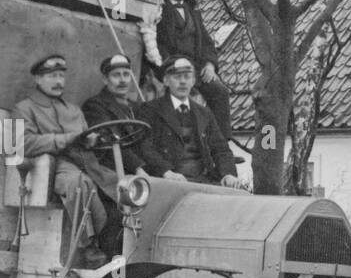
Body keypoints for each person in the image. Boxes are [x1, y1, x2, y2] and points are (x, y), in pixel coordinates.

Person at [13, 54, 114, 266]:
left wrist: (94, 141)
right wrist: (67, 139)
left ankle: (121, 247)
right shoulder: (25, 108)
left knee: (127, 188)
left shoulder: (73, 110)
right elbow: (25, 144)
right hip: (55, 165)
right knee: (77, 184)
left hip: (88, 164)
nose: (58, 81)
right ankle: (88, 247)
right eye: (51, 76)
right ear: (37, 80)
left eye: (61, 75)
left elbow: (87, 137)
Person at [155, 0, 234, 142]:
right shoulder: (158, 6)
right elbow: (155, 41)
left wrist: (210, 65)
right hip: (170, 67)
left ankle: (222, 145)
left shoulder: (193, 9)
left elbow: (207, 42)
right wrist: (170, 65)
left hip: (196, 68)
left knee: (220, 92)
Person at [136, 55, 244, 188]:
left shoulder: (204, 113)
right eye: (177, 77)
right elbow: (145, 148)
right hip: (169, 182)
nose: (183, 82)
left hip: (204, 181)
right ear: (166, 81)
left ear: (193, 81)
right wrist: (165, 172)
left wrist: (228, 174)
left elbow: (221, 149)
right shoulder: (150, 110)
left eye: (187, 77)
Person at [82, 53, 148, 256]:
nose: (122, 80)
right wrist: (138, 167)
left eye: (126, 74)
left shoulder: (137, 108)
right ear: (105, 79)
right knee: (115, 216)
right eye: (116, 75)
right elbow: (112, 141)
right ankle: (113, 263)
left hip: (138, 174)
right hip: (110, 171)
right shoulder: (95, 106)